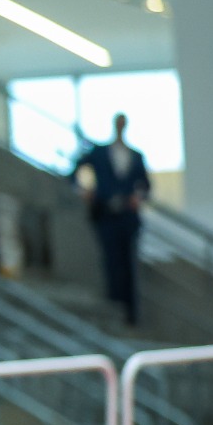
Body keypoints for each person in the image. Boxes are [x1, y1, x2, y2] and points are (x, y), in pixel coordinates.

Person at [72, 114, 151, 326]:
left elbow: (146, 186)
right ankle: (115, 312)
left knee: (129, 267)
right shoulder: (99, 152)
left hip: (127, 216)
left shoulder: (135, 155)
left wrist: (138, 197)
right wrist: (84, 191)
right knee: (111, 264)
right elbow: (74, 170)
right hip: (106, 215)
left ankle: (130, 316)